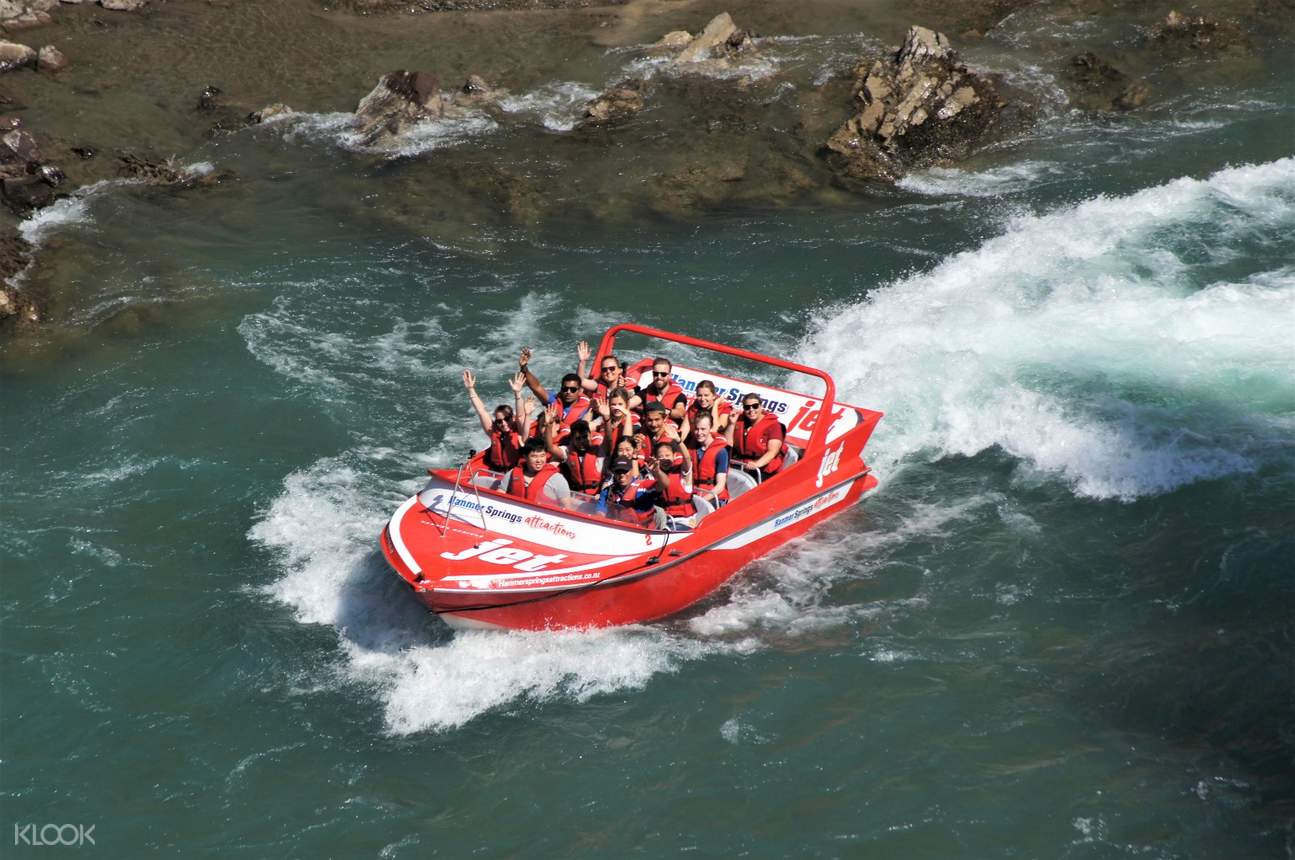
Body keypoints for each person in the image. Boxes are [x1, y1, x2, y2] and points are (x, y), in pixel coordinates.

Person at [463, 369, 529, 472]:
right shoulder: (494, 431)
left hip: (514, 472)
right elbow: (481, 411)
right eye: (499, 421)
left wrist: (517, 394)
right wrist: (471, 389)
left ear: (513, 418)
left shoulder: (520, 431)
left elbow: (521, 416)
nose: (504, 423)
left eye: (507, 419)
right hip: (495, 471)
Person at [517, 347, 593, 437]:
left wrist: (582, 362)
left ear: (579, 391)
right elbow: (536, 387)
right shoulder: (554, 400)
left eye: (573, 390)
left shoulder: (588, 406)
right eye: (565, 389)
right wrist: (524, 368)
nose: (568, 392)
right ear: (561, 389)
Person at [543, 409, 603, 494]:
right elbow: (550, 448)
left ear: (590, 435)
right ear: (572, 440)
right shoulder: (568, 451)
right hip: (577, 495)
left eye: (585, 437)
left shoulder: (599, 449)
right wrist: (549, 425)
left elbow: (609, 440)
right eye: (578, 439)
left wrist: (607, 419)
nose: (582, 441)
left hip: (597, 495)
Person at [728, 392, 785, 481]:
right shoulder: (739, 420)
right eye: (747, 407)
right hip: (740, 464)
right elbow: (728, 443)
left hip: (762, 468)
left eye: (755, 406)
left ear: (761, 407)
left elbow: (772, 452)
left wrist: (757, 464)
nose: (751, 410)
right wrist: (731, 424)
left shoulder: (774, 426)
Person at [598, 456, 664, 528]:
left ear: (632, 471)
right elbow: (600, 513)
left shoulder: (644, 486)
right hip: (618, 530)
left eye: (625, 471)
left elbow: (663, 485)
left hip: (644, 533)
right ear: (613, 473)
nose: (621, 475)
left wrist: (658, 471)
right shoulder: (607, 491)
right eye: (618, 472)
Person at [506, 439, 572, 506]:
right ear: (525, 457)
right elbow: (499, 496)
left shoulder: (558, 479)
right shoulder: (512, 473)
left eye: (542, 456)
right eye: (534, 456)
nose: (539, 460)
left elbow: (567, 508)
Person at [645, 439, 696, 524]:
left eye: (667, 455)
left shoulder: (683, 473)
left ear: (674, 456)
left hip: (685, 520)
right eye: (661, 457)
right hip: (666, 519)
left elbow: (687, 458)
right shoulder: (654, 475)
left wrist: (679, 441)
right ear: (656, 459)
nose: (664, 459)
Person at [577, 341, 643, 405]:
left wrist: (621, 388)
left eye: (612, 368)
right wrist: (582, 361)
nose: (608, 371)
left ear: (619, 370)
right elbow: (581, 381)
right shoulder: (599, 385)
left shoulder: (628, 387)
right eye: (604, 369)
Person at [688, 412, 730, 505]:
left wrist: (702, 501)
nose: (699, 433)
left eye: (703, 429)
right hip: (696, 492)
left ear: (710, 428)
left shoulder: (721, 451)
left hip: (713, 496)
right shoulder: (692, 448)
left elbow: (720, 485)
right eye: (696, 429)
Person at [637, 357, 688, 422]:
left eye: (663, 374)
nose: (659, 377)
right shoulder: (646, 392)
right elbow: (632, 402)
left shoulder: (679, 396)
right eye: (656, 374)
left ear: (669, 375)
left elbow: (680, 412)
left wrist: (663, 411)